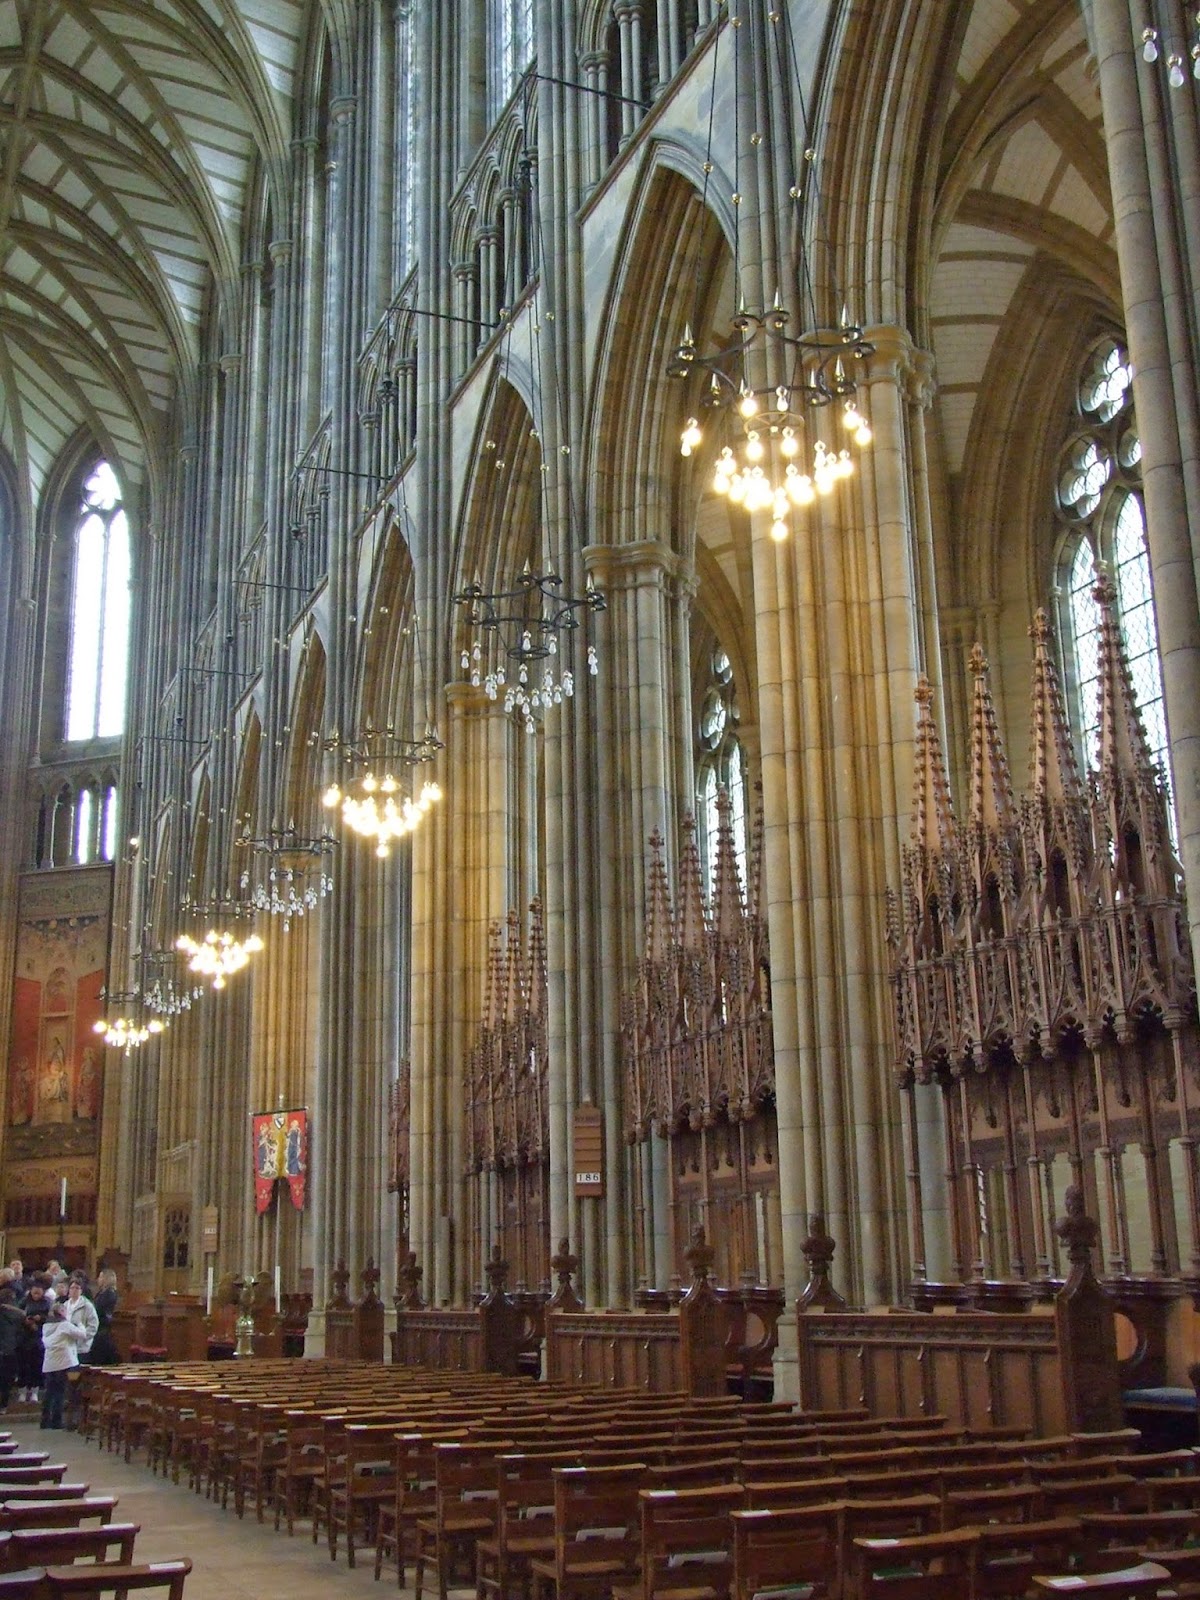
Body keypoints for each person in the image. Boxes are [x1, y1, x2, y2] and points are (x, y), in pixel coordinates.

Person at [40, 1302, 87, 1429]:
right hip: (66, 1363)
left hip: (49, 1364)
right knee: (61, 1392)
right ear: (61, 1312)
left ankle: (44, 1421)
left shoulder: (46, 1326)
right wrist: (81, 1325)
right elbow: (82, 1335)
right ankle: (56, 1421)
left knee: (49, 1393)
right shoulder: (64, 1325)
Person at [17, 1278, 52, 1403]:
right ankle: (22, 1390)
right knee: (23, 1364)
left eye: (39, 1292)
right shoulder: (24, 1301)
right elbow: (18, 1314)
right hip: (24, 1337)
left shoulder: (47, 1303)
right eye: (34, 1291)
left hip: (39, 1337)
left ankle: (34, 1391)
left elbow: (50, 1317)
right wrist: (26, 1321)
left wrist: (40, 1318)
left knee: (36, 1365)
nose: (36, 1294)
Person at [0, 1286, 26, 1411]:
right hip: (10, 1349)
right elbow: (22, 1315)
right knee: (6, 1379)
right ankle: (3, 1405)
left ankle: (3, 1404)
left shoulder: (10, 1312)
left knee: (5, 1378)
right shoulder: (15, 1313)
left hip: (7, 1348)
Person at [88, 1269, 120, 1366]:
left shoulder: (109, 1294)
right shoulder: (101, 1293)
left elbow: (99, 1309)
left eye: (100, 1277)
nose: (98, 1279)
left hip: (103, 1327)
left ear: (106, 1279)